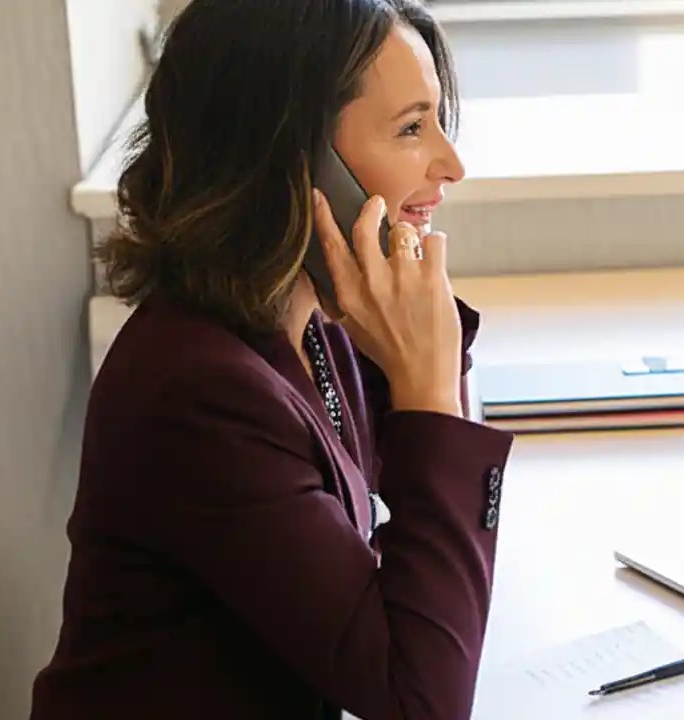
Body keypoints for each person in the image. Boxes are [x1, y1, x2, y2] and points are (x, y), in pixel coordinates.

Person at [30, 1, 513, 718]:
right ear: (295, 160)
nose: (451, 164)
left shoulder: (304, 322)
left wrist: (426, 350)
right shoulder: (200, 394)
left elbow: (420, 518)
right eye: (412, 128)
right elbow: (422, 699)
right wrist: (430, 385)